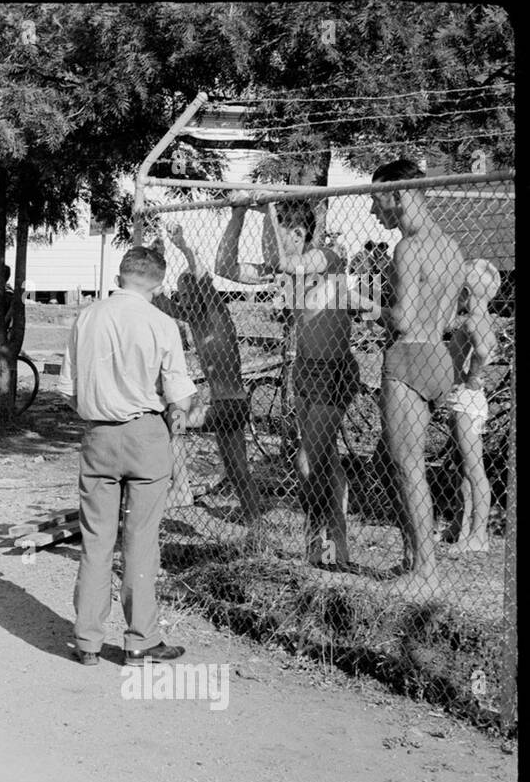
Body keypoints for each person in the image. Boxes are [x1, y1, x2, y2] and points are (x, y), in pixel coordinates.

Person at [57, 246, 195, 666]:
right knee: (140, 541)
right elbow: (179, 392)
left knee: (97, 540)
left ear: (121, 275)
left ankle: (87, 640)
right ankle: (140, 640)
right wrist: (180, 411)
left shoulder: (87, 317)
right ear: (157, 281)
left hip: (98, 435)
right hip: (145, 434)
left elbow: (68, 390)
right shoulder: (161, 322)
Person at [216, 193, 356, 568]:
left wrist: (270, 208)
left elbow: (283, 260)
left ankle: (330, 546)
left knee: (310, 462)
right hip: (306, 371)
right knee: (326, 462)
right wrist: (239, 214)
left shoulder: (326, 257)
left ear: (296, 232)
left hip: (334, 371)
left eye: (274, 230)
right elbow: (225, 267)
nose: (267, 242)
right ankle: (325, 548)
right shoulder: (285, 268)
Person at [369, 159, 467, 589]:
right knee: (397, 463)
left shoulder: (408, 248)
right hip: (438, 357)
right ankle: (413, 561)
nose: (375, 212)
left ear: (397, 192)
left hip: (408, 356)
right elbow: (444, 317)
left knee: (408, 466)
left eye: (377, 201)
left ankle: (426, 570)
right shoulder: (451, 246)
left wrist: (368, 306)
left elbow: (405, 319)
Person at [160, 224, 265, 523]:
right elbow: (159, 300)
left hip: (231, 403)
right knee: (236, 469)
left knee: (174, 420)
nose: (182, 300)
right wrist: (158, 256)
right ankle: (254, 520)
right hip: (225, 404)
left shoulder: (216, 313)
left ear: (199, 292)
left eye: (187, 293)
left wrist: (183, 245)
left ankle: (181, 487)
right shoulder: (193, 318)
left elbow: (201, 270)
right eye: (180, 295)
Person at [441, 258, 498, 555]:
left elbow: (485, 349)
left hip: (467, 401)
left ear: (464, 292)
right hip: (459, 401)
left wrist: (473, 374)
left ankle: (479, 535)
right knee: (463, 467)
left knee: (474, 469)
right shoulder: (475, 318)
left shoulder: (476, 320)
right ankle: (461, 526)